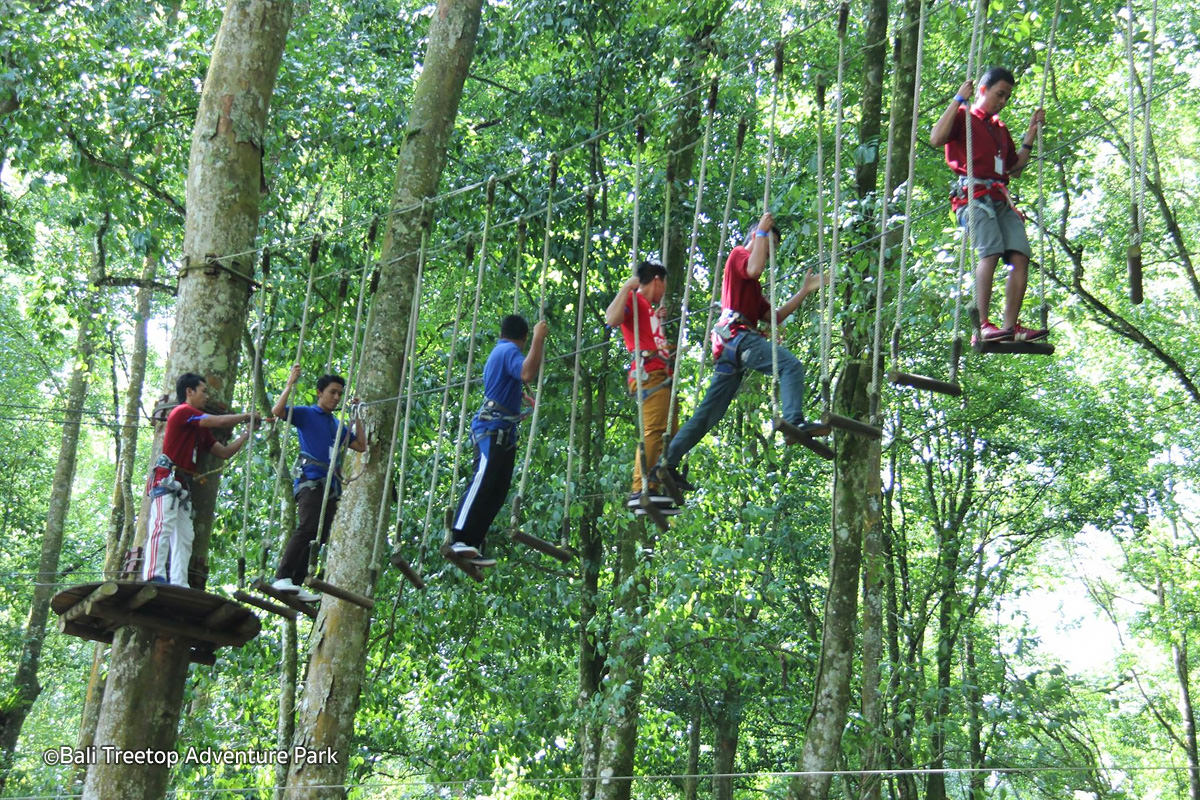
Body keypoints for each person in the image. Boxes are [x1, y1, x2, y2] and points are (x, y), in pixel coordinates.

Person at [654, 212, 826, 496]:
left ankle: (666, 463)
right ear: (755, 238)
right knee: (790, 366)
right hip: (736, 339)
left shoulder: (752, 288)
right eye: (769, 245)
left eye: (773, 249)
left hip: (731, 347)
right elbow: (755, 268)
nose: (770, 254)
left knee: (708, 414)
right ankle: (795, 421)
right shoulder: (737, 256)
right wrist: (762, 231)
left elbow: (775, 316)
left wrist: (805, 290)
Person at [930, 66, 1048, 344]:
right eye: (999, 94)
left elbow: (1014, 168)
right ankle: (982, 325)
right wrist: (958, 99)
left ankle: (1010, 328)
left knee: (1020, 256)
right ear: (982, 90)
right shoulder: (964, 117)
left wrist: (1030, 135)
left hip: (999, 197)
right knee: (991, 251)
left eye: (1007, 96)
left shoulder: (999, 128)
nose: (1003, 101)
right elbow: (936, 139)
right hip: (972, 196)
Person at [448, 314, 548, 566]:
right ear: (523, 338)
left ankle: (472, 542)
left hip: (503, 430)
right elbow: (526, 373)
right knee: (483, 480)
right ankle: (457, 536)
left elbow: (508, 386)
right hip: (490, 429)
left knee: (497, 490)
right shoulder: (507, 351)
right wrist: (539, 339)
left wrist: (521, 404)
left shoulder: (501, 351)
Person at [143, 373, 259, 587]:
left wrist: (247, 433)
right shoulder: (182, 412)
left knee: (185, 536)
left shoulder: (199, 429)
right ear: (189, 392)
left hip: (182, 484)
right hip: (166, 479)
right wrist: (246, 416)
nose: (206, 396)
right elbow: (216, 421)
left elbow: (223, 452)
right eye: (203, 391)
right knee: (162, 526)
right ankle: (153, 574)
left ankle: (179, 582)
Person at [270, 366, 366, 602]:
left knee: (320, 535)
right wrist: (290, 383)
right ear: (319, 393)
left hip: (330, 488)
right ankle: (282, 576)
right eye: (332, 392)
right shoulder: (307, 414)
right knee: (308, 527)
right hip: (311, 481)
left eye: (339, 394)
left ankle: (295, 582)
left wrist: (357, 416)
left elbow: (360, 445)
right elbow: (278, 411)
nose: (336, 398)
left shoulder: (336, 425)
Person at [604, 261, 681, 516]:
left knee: (671, 431)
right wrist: (627, 286)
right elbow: (611, 319)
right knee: (654, 430)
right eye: (664, 286)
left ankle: (655, 486)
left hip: (663, 373)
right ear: (657, 280)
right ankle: (640, 488)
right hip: (650, 373)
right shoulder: (634, 299)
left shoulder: (648, 309)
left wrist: (657, 322)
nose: (664, 292)